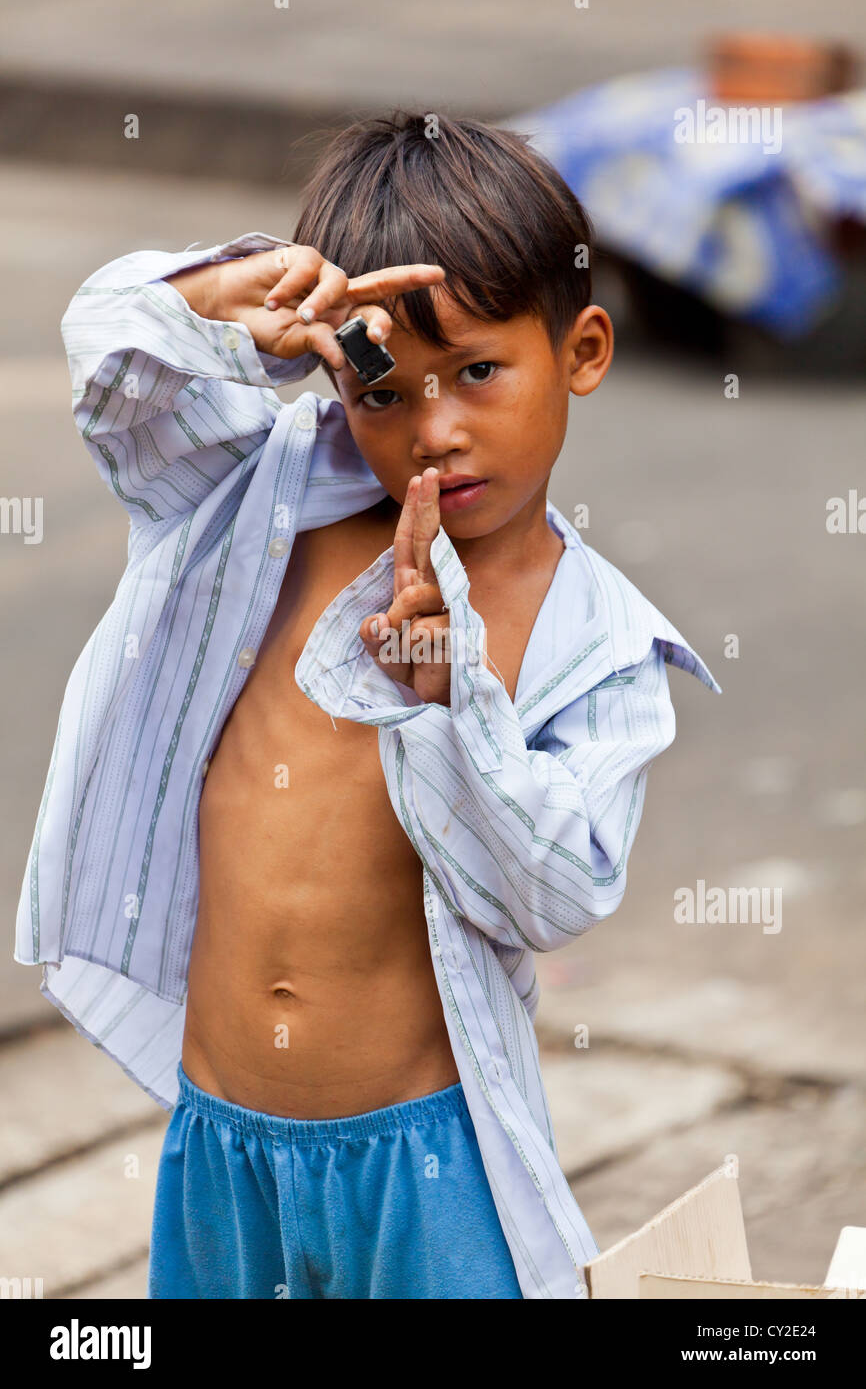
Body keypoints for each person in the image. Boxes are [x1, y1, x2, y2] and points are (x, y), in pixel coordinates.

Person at [14, 112, 721, 1300]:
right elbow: (118, 373)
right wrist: (227, 300)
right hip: (220, 1139)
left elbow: (558, 891)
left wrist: (451, 704)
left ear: (582, 351)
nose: (436, 431)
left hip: (426, 1160)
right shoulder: (261, 496)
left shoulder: (598, 644)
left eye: (481, 373)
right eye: (389, 388)